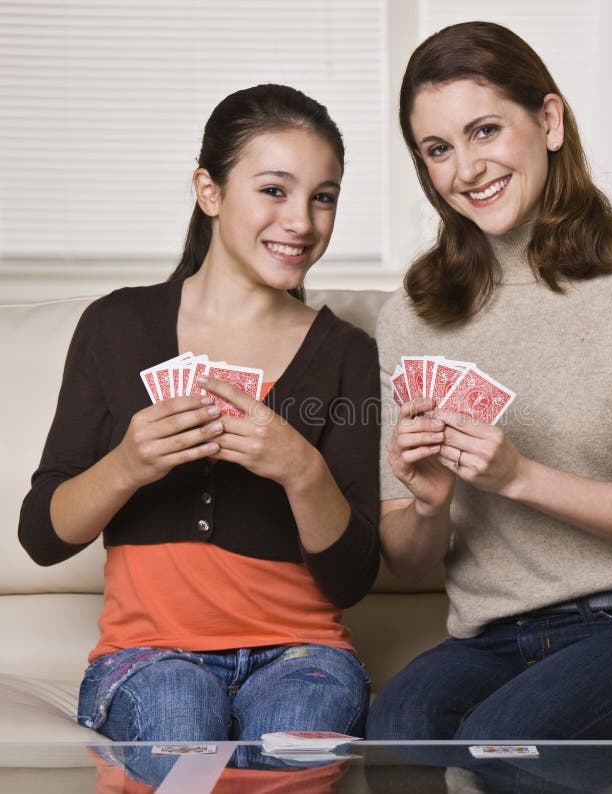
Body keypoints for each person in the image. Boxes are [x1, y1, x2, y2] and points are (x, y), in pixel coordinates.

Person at [366, 21, 612, 742]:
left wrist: (518, 476)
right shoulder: (410, 318)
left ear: (549, 120)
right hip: (491, 641)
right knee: (396, 734)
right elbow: (409, 562)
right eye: (438, 149)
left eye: (485, 131)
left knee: (503, 746)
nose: (466, 169)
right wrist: (428, 503)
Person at [18, 84, 380, 751]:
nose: (301, 221)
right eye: (274, 189)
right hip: (150, 657)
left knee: (289, 749)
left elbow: (351, 580)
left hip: (304, 656)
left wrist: (302, 470)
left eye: (322, 196)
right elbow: (42, 536)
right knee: (182, 721)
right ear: (209, 192)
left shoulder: (346, 354)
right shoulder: (117, 326)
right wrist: (127, 465)